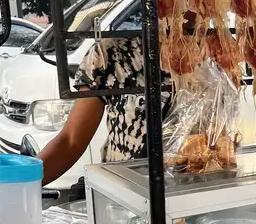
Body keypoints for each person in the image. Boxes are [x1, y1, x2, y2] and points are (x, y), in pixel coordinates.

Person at [38, 35, 171, 187]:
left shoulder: (197, 59)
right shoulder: (112, 53)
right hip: (124, 190)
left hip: (189, 188)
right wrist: (23, 182)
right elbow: (71, 140)